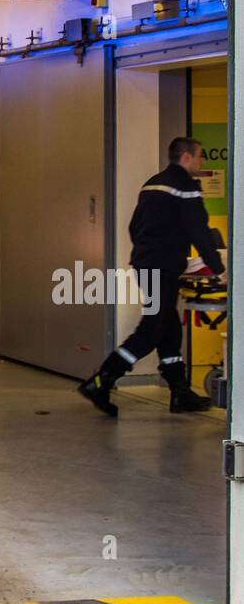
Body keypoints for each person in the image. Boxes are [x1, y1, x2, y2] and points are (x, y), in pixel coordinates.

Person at [79, 136, 225, 417]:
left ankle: (180, 393)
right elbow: (199, 231)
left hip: (148, 264)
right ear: (186, 158)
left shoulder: (152, 184)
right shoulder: (185, 187)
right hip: (163, 268)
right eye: (200, 156)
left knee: (169, 326)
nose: (202, 161)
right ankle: (101, 380)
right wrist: (218, 269)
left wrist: (150, 252)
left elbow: (136, 226)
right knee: (154, 327)